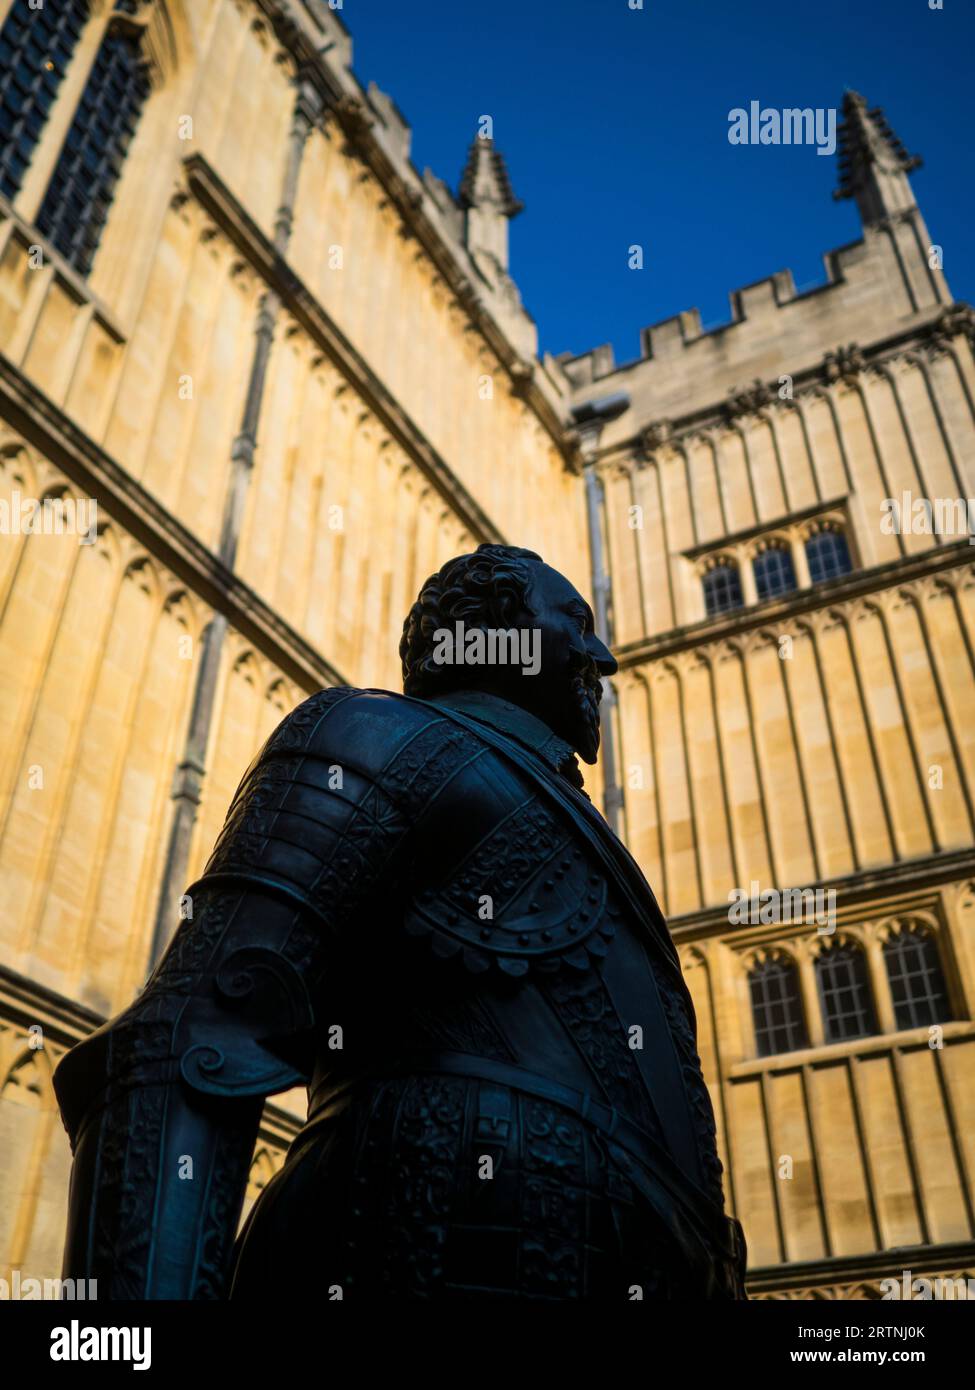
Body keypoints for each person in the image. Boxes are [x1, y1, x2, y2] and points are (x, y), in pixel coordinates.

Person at [54, 543, 747, 1300]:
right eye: (575, 624)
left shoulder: (591, 842)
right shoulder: (375, 736)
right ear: (495, 632)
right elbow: (184, 1041)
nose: (601, 656)